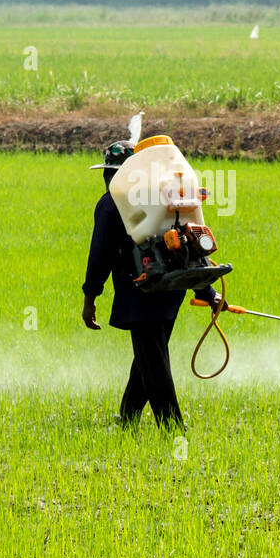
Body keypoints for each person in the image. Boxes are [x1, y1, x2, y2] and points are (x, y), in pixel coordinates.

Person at [81, 139, 226, 430]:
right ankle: (128, 417)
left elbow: (100, 254)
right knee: (150, 356)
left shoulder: (111, 203)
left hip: (141, 290)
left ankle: (174, 430)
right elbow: (190, 247)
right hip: (172, 288)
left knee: (154, 362)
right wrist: (207, 292)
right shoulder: (165, 195)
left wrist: (90, 296)